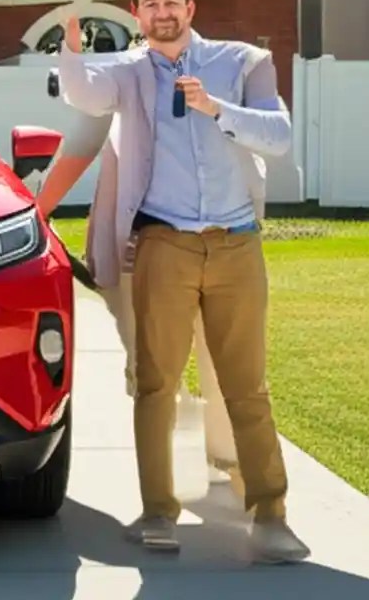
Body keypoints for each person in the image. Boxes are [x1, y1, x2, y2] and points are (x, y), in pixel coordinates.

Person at [55, 0, 310, 564]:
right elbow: (84, 92)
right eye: (150, 4)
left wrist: (216, 108)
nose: (162, 11)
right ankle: (158, 512)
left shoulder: (241, 62)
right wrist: (71, 51)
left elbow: (278, 135)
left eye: (171, 0)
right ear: (137, 14)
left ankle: (271, 516)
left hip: (235, 244)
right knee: (155, 384)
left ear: (189, 8)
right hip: (164, 244)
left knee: (247, 385)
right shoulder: (129, 71)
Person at [36, 103, 245, 499]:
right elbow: (85, 138)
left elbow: (85, 139)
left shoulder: (159, 79)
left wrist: (37, 209)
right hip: (168, 242)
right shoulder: (134, 80)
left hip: (181, 241)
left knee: (176, 361)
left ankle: (211, 460)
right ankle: (208, 463)